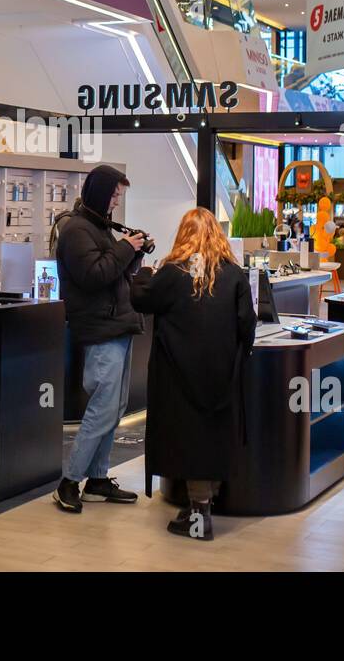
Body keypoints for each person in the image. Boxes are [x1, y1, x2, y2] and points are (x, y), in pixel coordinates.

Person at [132, 208, 256, 541]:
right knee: (213, 438)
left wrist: (144, 271)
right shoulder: (234, 274)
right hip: (221, 373)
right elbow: (248, 324)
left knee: (191, 440)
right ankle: (201, 504)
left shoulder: (173, 273)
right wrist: (237, 357)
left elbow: (142, 298)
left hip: (180, 375)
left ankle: (200, 515)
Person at [51, 165, 148, 513]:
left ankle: (97, 479)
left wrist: (132, 252)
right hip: (99, 330)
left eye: (119, 195)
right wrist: (124, 248)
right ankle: (69, 482)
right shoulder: (76, 231)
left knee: (114, 409)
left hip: (117, 326)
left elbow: (116, 273)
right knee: (102, 408)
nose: (117, 200)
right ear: (100, 192)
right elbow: (94, 276)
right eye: (114, 194)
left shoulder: (100, 229)